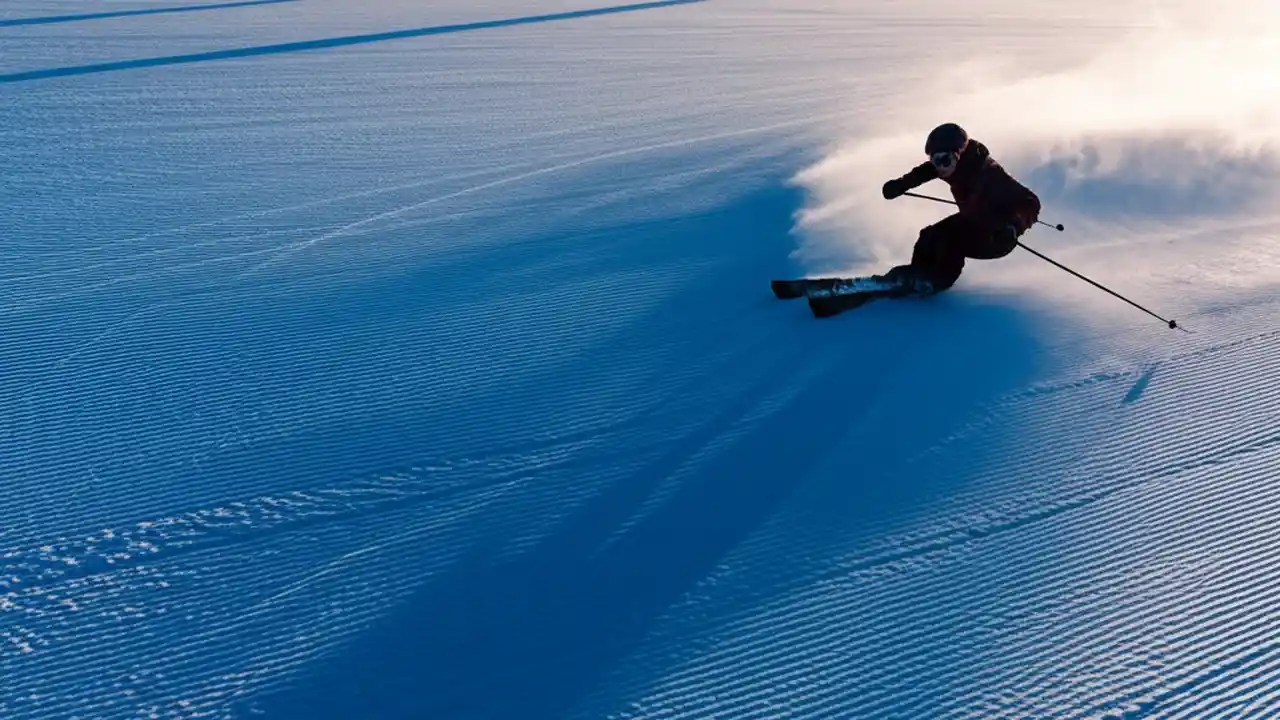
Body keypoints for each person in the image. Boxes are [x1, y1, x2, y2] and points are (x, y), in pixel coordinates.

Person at [876, 123, 1042, 295]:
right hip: (973, 220)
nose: (940, 167)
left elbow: (1031, 202)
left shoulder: (988, 173)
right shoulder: (950, 165)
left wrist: (1013, 227)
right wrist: (901, 185)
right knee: (930, 235)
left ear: (958, 155)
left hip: (997, 235)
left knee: (951, 242)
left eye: (944, 160)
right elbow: (925, 172)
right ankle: (918, 274)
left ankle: (938, 281)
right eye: (934, 161)